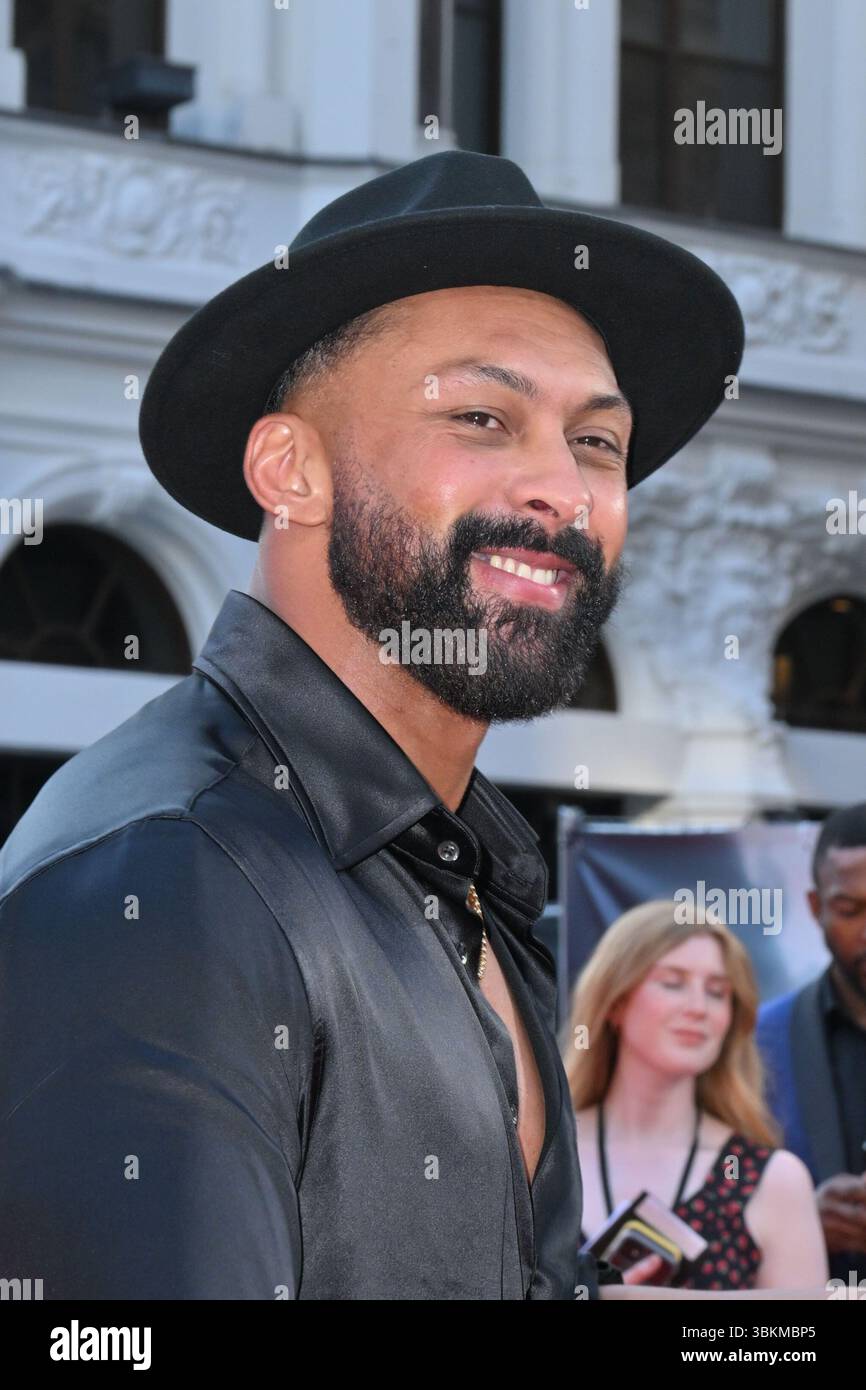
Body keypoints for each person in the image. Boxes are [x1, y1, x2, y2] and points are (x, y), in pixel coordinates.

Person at [0, 149, 744, 1299]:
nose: (563, 488)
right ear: (290, 469)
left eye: (597, 441)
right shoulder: (172, 874)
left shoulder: (474, 885)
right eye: (483, 417)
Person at [562, 900, 828, 1292]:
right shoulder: (536, 1156)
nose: (699, 1008)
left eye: (718, 992)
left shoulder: (773, 1180)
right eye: (673, 983)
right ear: (615, 1002)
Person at [757, 803, 866, 1286]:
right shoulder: (757, 1043)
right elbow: (715, 1197)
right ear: (816, 908)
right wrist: (798, 1222)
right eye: (849, 910)